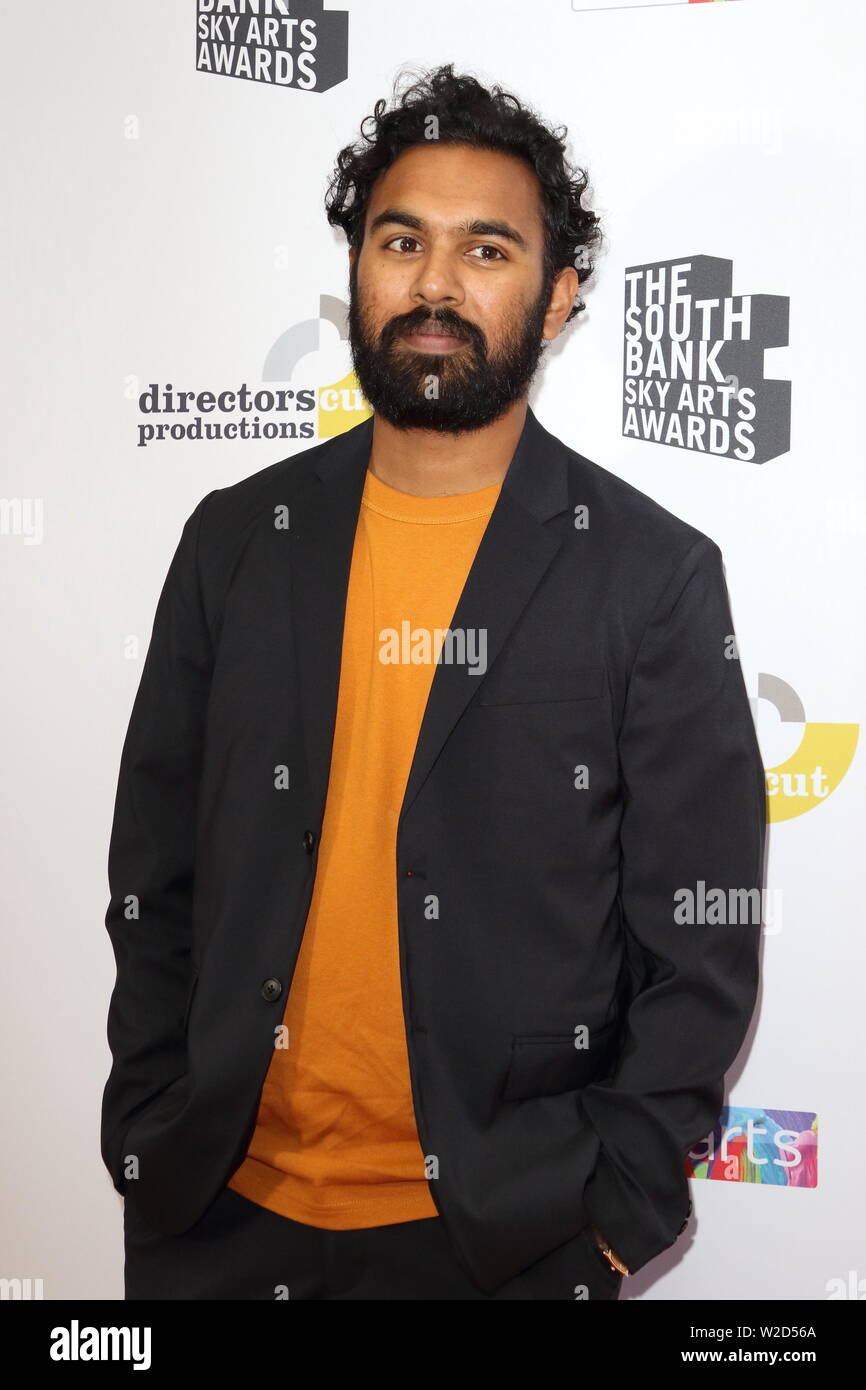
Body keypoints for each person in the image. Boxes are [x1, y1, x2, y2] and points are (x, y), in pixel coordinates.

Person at [102, 63, 766, 1301]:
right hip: (216, 1221)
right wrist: (150, 1129)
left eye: (486, 249)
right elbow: (155, 872)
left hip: (498, 1246)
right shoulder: (235, 541)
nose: (435, 284)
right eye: (400, 240)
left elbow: (701, 944)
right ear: (356, 269)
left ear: (558, 297)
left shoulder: (650, 577)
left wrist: (608, 1216)